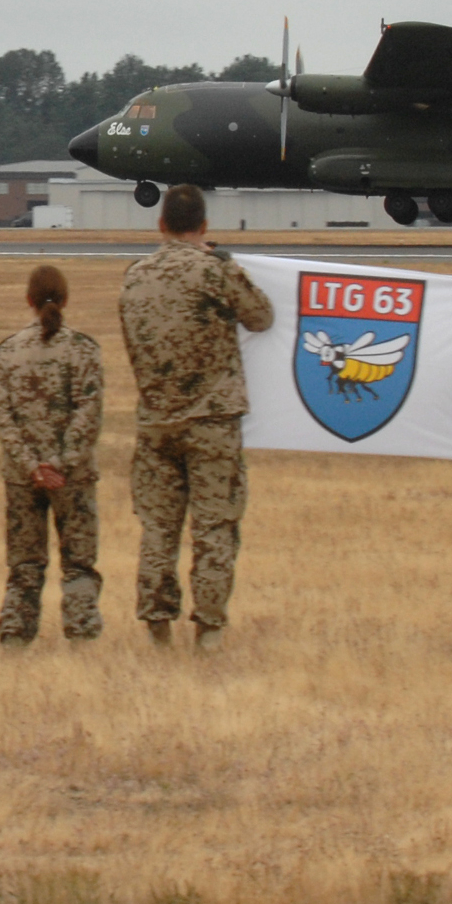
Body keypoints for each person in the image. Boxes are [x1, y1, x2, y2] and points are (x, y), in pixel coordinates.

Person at [117, 184, 273, 652]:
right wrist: (227, 264)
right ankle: (208, 630)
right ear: (203, 227)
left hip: (157, 419)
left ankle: (157, 625)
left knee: (159, 528)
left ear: (161, 225)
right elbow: (261, 317)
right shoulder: (213, 272)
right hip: (211, 420)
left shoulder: (135, 276)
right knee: (214, 526)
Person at [0, 264, 105, 646]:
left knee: (24, 564)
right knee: (79, 564)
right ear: (66, 300)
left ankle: (14, 638)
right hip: (73, 478)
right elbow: (88, 413)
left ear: (29, 300)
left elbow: (2, 416)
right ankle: (82, 637)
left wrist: (31, 465)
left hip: (22, 479)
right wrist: (61, 464)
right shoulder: (84, 350)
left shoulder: (7, 352)